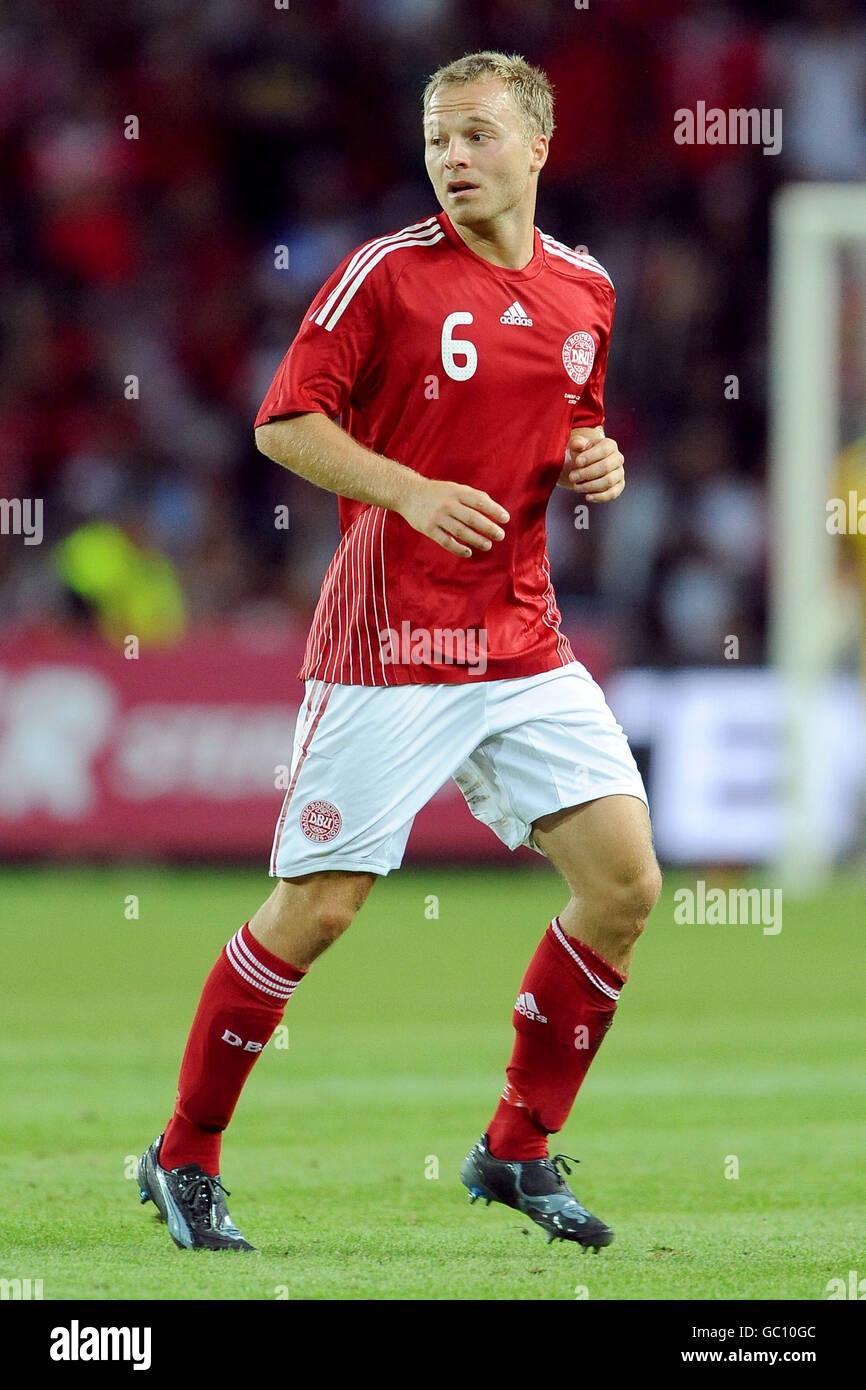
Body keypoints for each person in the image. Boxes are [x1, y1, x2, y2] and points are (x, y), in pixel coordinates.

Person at [136, 50, 662, 1254]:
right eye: (436, 138)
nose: (452, 158)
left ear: (536, 144)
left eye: (476, 135)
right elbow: (283, 422)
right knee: (315, 911)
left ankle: (516, 1149)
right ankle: (183, 1155)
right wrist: (410, 493)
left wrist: (599, 460)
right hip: (390, 644)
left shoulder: (586, 288)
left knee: (623, 884)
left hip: (521, 642)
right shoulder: (384, 277)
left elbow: (571, 422)